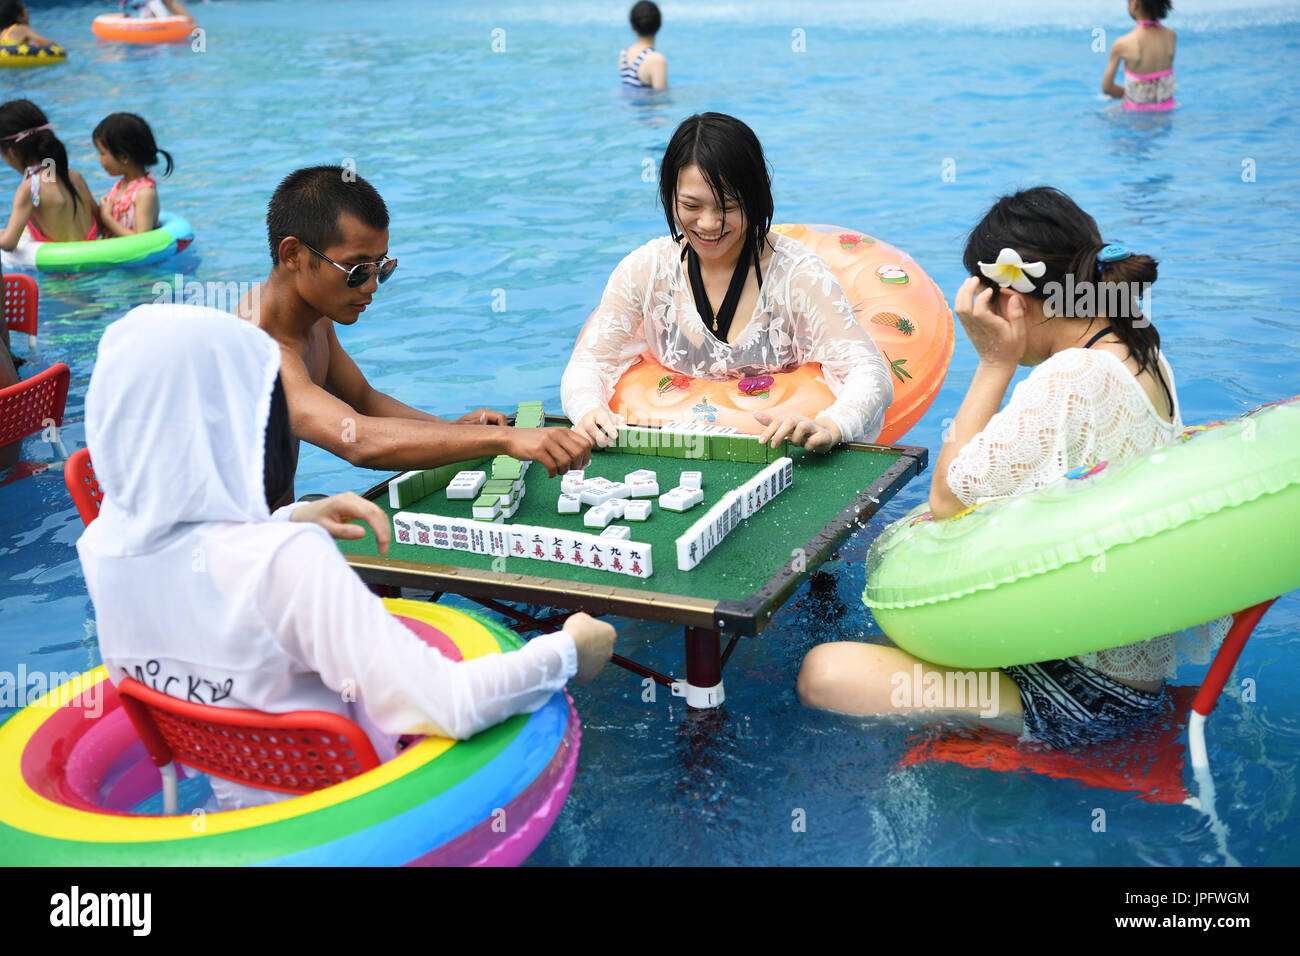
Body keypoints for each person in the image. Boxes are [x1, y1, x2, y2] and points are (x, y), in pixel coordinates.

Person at [76, 304, 618, 810]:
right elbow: (450, 705)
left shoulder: (102, 549)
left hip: (234, 815)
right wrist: (569, 649)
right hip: (361, 814)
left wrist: (289, 516)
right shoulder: (286, 563)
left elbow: (197, 560)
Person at [798, 186, 1228, 748]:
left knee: (824, 673)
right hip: (1114, 663)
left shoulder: (1075, 378)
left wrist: (994, 362)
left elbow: (947, 500)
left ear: (1015, 302)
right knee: (874, 652)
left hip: (1087, 694)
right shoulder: (1140, 351)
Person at [237, 167, 591, 507]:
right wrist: (506, 440)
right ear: (293, 254)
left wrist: (453, 432)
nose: (372, 286)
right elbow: (358, 441)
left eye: (381, 267)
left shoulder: (311, 314)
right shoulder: (258, 348)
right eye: (358, 271)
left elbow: (364, 398)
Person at [562, 112, 893, 452]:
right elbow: (590, 363)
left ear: (756, 198)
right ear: (669, 195)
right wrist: (589, 410)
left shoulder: (798, 275)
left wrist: (831, 423)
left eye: (728, 207)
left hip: (783, 453)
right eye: (691, 205)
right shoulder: (646, 271)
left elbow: (869, 372)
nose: (708, 224)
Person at [0, 100, 100, 251]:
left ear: (13, 152)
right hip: (96, 253)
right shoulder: (75, 176)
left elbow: (9, 244)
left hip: (66, 271)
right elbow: (98, 218)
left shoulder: (30, 189)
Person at [94, 113, 172, 236]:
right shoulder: (122, 184)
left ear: (124, 157)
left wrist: (107, 218)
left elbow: (140, 240)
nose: (99, 159)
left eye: (102, 153)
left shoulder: (145, 193)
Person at [1102, 0, 1176, 111]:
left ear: (1135, 3)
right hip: (1168, 108)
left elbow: (1107, 88)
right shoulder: (1171, 36)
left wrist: (1131, 93)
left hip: (1135, 113)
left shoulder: (1122, 44)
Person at [620, 2, 667, 90]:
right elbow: (661, 99)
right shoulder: (657, 60)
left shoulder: (624, 54)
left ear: (632, 26)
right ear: (659, 24)